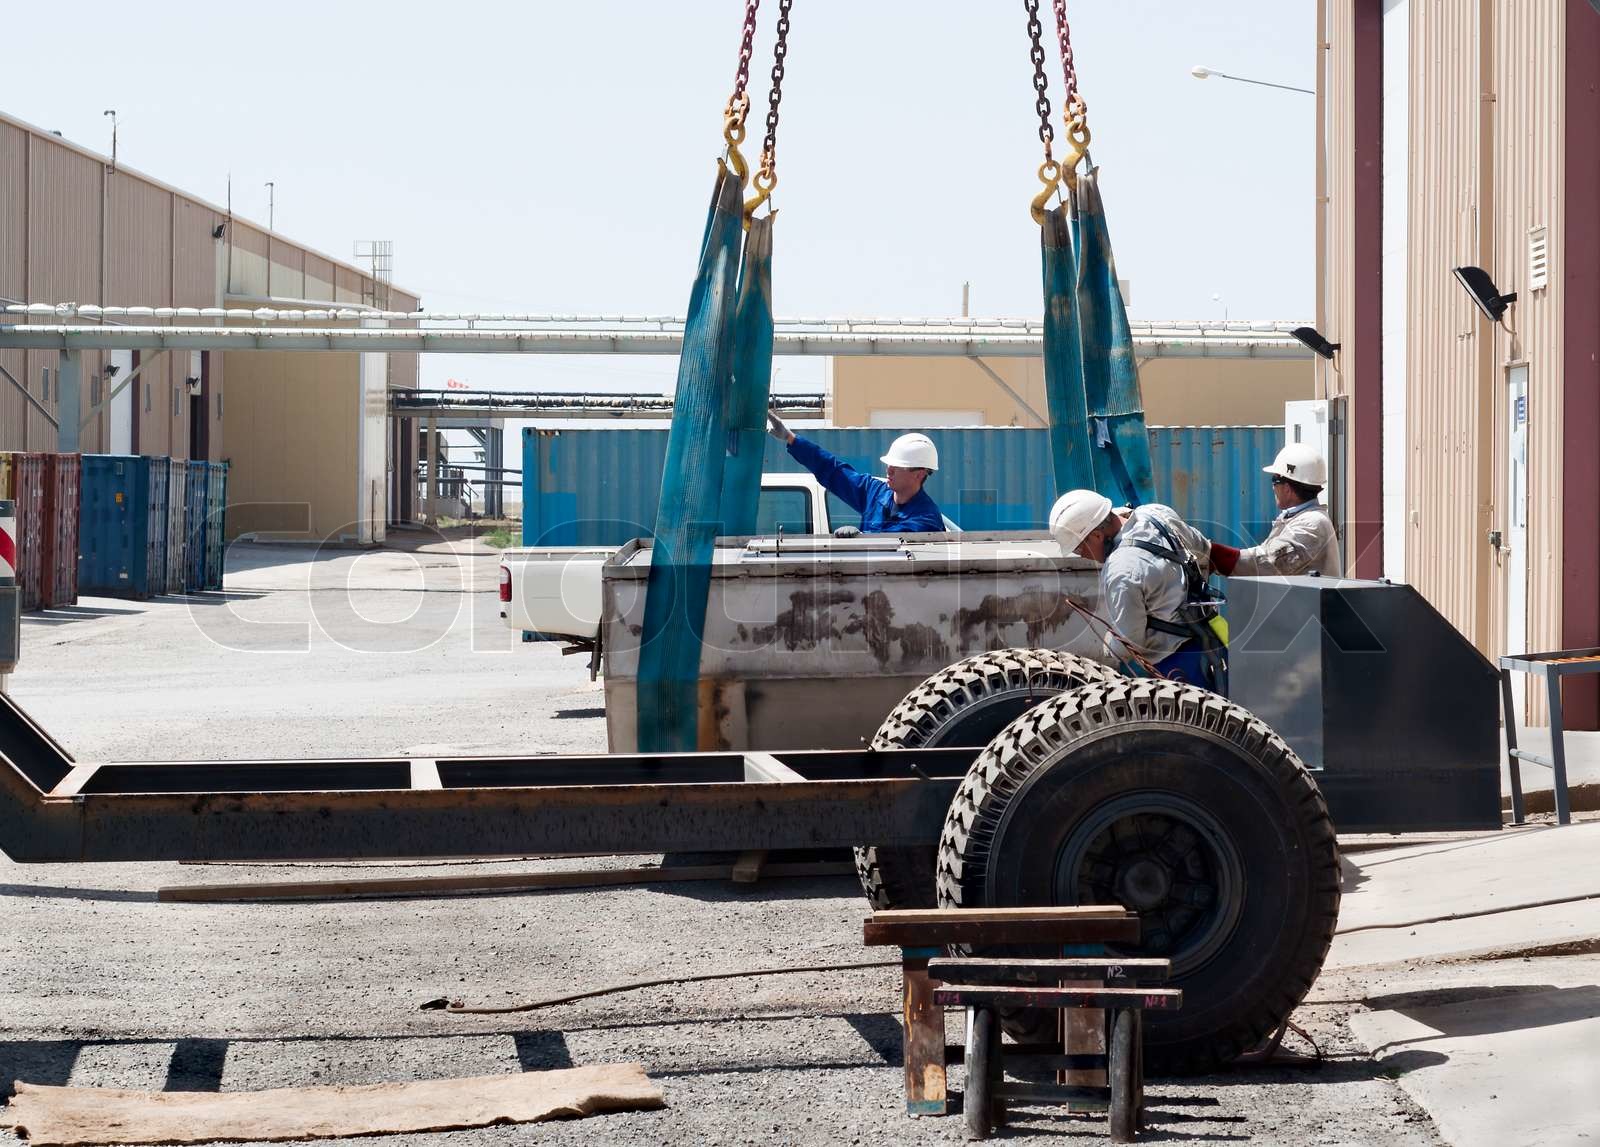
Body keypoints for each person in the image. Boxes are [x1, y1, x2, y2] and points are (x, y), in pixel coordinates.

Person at [1050, 489, 1226, 691]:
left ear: (1097, 535)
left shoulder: (1121, 571)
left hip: (1177, 669)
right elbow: (1202, 548)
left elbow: (1129, 644)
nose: (1082, 555)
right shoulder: (1157, 514)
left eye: (1079, 548)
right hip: (1213, 641)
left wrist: (1107, 646)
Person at [766, 410, 946, 534]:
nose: (889, 470)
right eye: (889, 464)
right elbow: (834, 471)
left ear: (919, 474)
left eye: (897, 466)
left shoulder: (927, 519)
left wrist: (862, 537)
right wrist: (791, 439)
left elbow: (894, 542)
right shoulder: (876, 492)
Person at [1209, 443, 1342, 577]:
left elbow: (1267, 563)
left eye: (1275, 480)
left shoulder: (1312, 524)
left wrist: (1215, 554)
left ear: (1287, 488)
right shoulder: (1298, 517)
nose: (1273, 487)